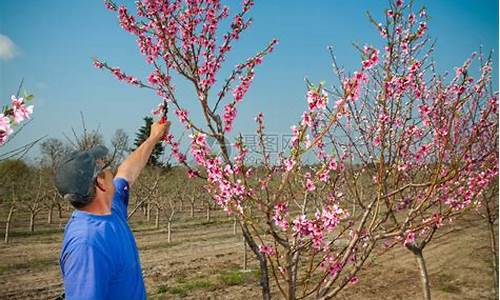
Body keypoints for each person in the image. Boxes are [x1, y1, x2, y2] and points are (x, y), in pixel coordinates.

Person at [55, 119, 170, 299]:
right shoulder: (87, 244)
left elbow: (127, 172)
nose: (112, 170)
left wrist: (154, 137)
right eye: (106, 167)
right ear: (100, 182)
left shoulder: (109, 208)